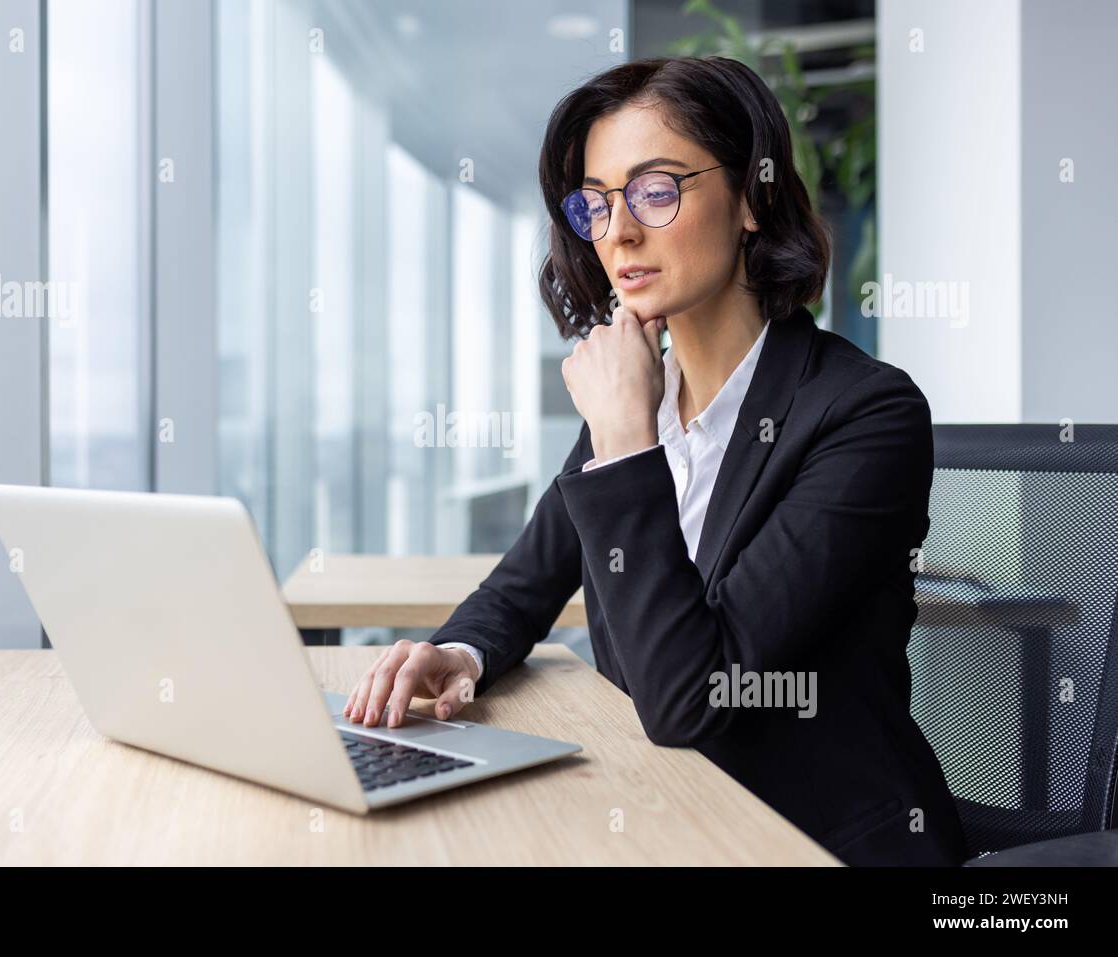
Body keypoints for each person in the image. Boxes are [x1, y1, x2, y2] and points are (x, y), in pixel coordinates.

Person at [344, 56, 966, 866]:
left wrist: (629, 440)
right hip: (666, 816)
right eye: (596, 204)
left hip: (816, 843)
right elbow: (522, 588)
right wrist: (457, 655)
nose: (618, 233)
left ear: (751, 197)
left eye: (656, 189)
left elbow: (691, 697)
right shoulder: (643, 393)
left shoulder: (865, 414)